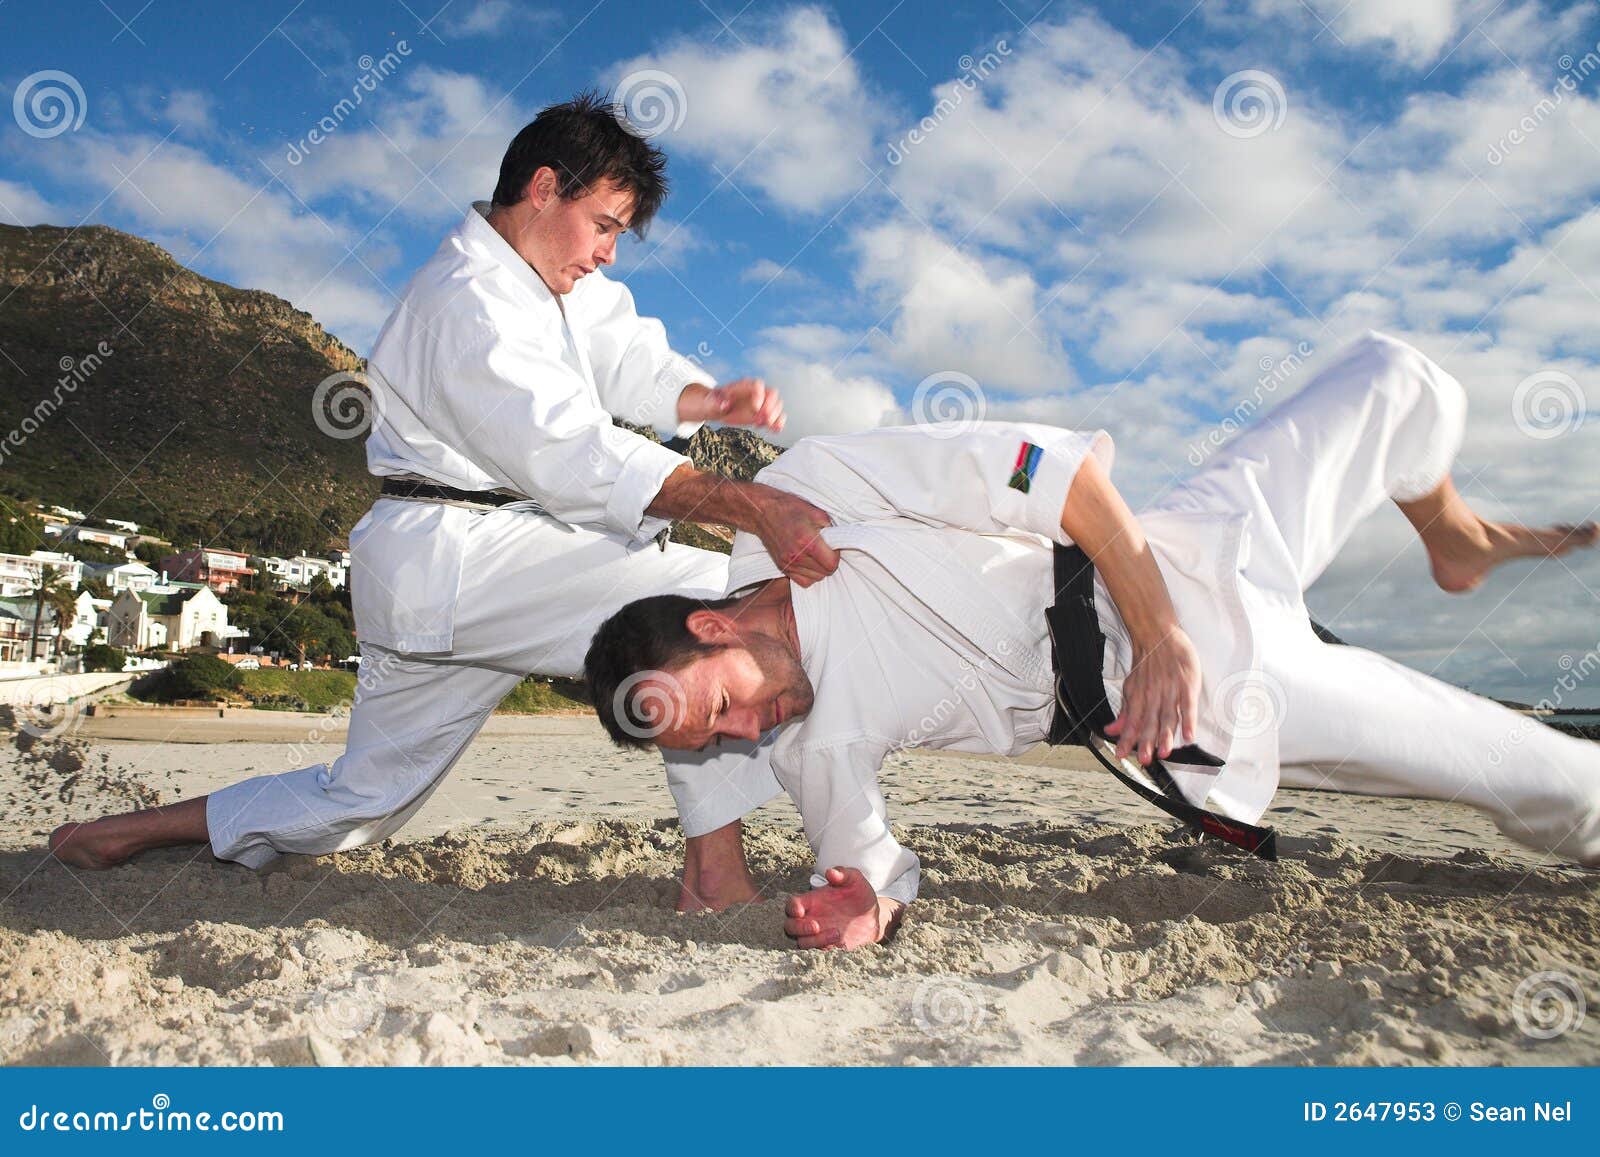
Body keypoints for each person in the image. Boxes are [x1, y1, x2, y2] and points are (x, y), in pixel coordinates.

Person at [48, 92, 838, 911]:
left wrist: (702, 398)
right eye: (604, 224)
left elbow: (623, 350)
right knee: (699, 612)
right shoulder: (467, 301)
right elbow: (571, 455)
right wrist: (748, 505)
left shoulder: (550, 282)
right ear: (542, 188)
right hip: (458, 553)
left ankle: (135, 829)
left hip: (453, 566)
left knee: (365, 796)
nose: (607, 252)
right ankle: (715, 877)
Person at [584, 331, 1600, 949]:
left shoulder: (819, 494)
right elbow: (871, 865)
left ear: (714, 622)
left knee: (1401, 376)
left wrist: (1160, 627)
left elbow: (1053, 477)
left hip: (1166, 558)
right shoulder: (815, 747)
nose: (751, 732)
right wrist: (866, 904)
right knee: (1548, 776)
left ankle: (1451, 536)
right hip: (1200, 694)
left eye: (724, 707)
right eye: (718, 743)